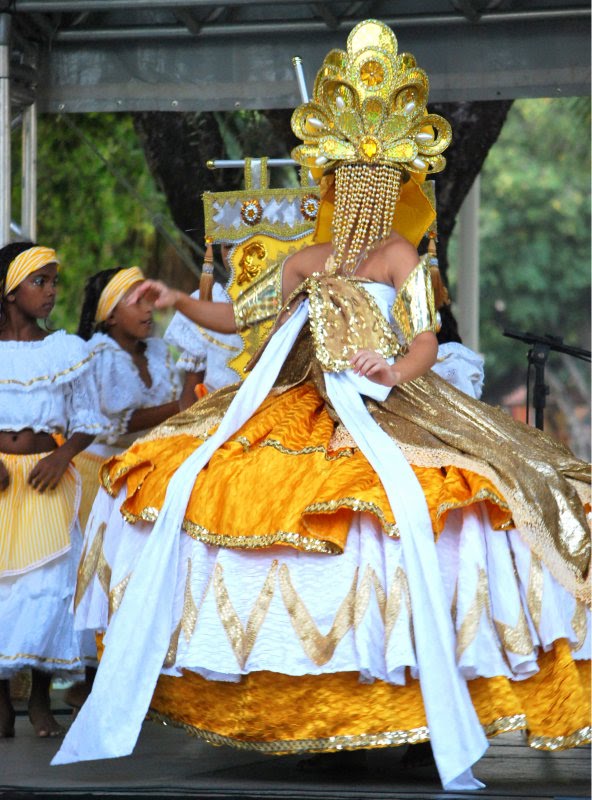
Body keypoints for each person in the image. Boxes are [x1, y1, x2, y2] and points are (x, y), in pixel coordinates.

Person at [55, 21, 590, 792]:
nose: (348, 199)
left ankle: (404, 704)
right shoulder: (302, 259)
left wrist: (387, 366)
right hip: (297, 404)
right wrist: (178, 296)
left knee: (470, 503)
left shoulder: (403, 258)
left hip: (400, 406)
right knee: (205, 490)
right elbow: (245, 322)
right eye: (340, 186)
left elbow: (426, 345)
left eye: (362, 187)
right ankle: (317, 712)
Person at [0, 241, 100, 738]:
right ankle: (1, 703)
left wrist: (63, 454)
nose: (51, 292)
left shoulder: (62, 350)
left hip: (45, 479)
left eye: (54, 282)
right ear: (10, 290)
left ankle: (40, 701)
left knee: (46, 590)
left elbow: (88, 420)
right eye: (40, 281)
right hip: (0, 486)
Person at [74, 266, 184, 533]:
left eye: (148, 300)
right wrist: (181, 407)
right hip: (103, 473)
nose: (148, 309)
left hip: (144, 468)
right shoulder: (100, 356)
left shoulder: (159, 353)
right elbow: (120, 424)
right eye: (136, 301)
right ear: (110, 315)